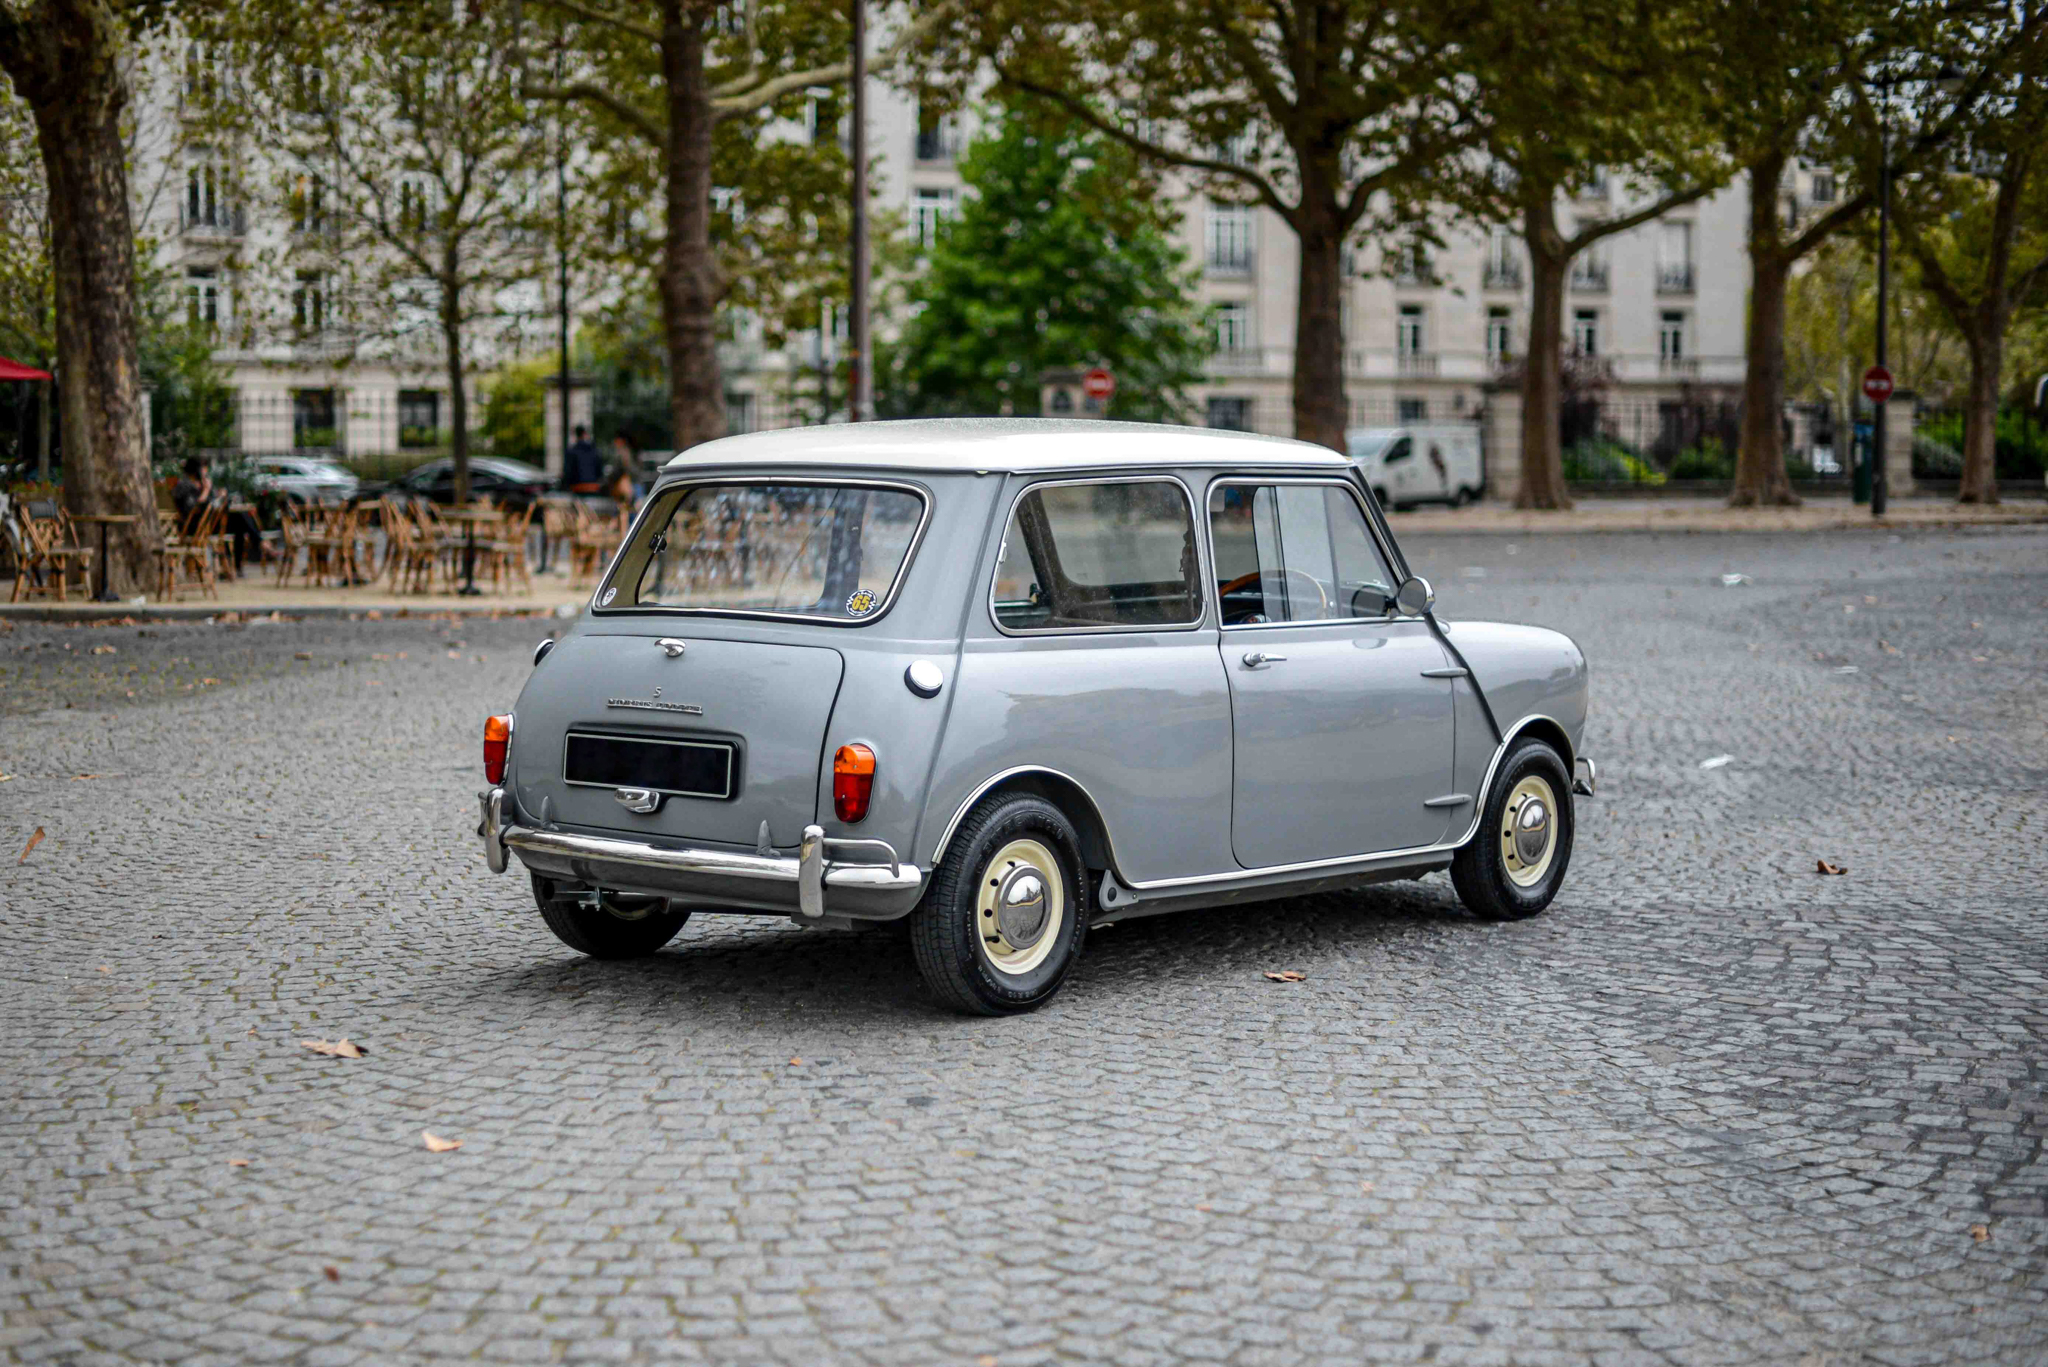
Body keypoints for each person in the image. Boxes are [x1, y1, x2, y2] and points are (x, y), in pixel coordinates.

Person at [562, 424, 603, 494]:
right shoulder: (594, 450)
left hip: (577, 487)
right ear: (585, 433)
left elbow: (568, 472)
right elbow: (599, 471)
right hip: (593, 487)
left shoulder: (571, 451)